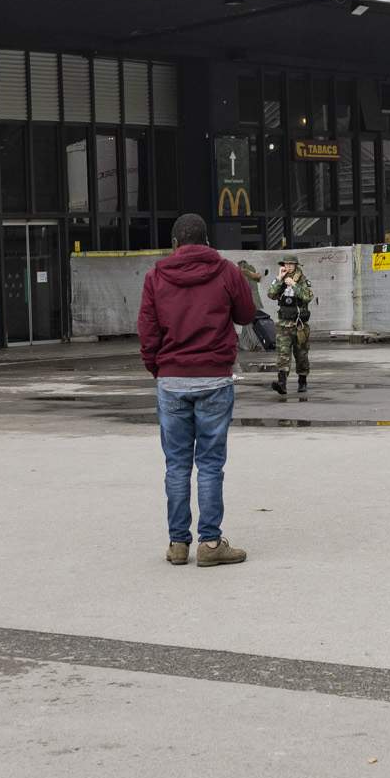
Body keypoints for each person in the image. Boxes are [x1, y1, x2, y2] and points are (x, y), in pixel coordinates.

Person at [138, 213, 255, 567]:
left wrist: (159, 369)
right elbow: (247, 314)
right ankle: (210, 543)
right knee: (209, 463)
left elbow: (147, 330)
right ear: (206, 240)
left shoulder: (156, 276)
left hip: (172, 381)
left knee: (175, 465)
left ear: (174, 244)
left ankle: (177, 544)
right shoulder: (226, 271)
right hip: (214, 380)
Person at [263, 254, 314, 399]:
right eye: (286, 264)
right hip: (283, 324)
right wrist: (279, 279)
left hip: (299, 325)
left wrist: (294, 284)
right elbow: (271, 294)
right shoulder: (281, 280)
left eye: (291, 264)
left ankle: (302, 381)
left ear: (296, 265)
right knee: (283, 355)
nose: (288, 266)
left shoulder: (303, 280)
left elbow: (308, 296)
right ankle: (282, 384)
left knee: (301, 354)